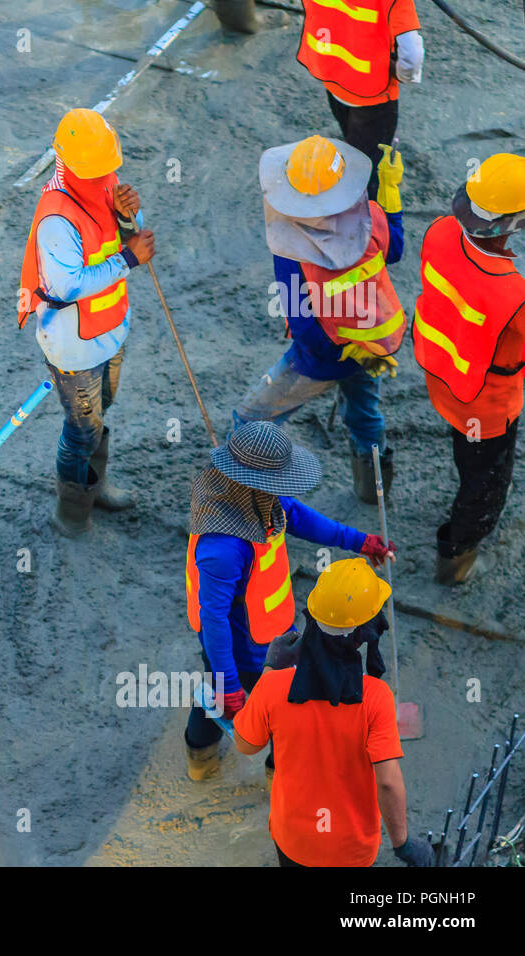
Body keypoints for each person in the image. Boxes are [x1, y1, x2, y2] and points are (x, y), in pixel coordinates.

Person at [183, 421, 394, 781]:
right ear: (255, 480)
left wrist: (357, 541)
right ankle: (249, 771)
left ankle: (203, 759)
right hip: (244, 648)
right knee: (277, 707)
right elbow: (214, 620)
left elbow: (294, 514)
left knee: (228, 699)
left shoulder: (248, 494)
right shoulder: (221, 548)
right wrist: (229, 681)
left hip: (273, 629)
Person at [233, 135, 408, 503]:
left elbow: (302, 324)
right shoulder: (369, 216)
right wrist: (390, 188)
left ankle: (247, 503)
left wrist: (335, 356)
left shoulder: (290, 247)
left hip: (323, 356)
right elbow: (394, 250)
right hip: (372, 343)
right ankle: (373, 491)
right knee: (364, 414)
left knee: (249, 420)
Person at [233, 558, 435, 867]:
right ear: (365, 632)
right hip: (350, 848)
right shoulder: (375, 698)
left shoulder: (274, 686)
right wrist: (403, 843)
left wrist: (270, 671)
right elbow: (388, 782)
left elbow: (246, 745)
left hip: (293, 839)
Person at [17, 108, 155, 535]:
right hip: (74, 345)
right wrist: (129, 258)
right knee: (81, 429)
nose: (106, 177)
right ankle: (72, 510)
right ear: (70, 161)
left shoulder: (102, 179)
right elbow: (66, 287)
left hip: (111, 329)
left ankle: (96, 485)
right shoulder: (56, 217)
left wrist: (129, 216)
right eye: (97, 169)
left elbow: (129, 233)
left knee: (99, 414)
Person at [412, 153, 525, 584]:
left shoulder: (440, 232)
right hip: (489, 408)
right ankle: (457, 559)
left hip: (442, 378)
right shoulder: (512, 293)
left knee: (468, 455)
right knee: (485, 486)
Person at [295, 0, 423, 199]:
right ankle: (366, 202)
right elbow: (411, 56)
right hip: (372, 93)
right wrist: (401, 75)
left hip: (331, 74)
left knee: (350, 130)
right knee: (369, 159)